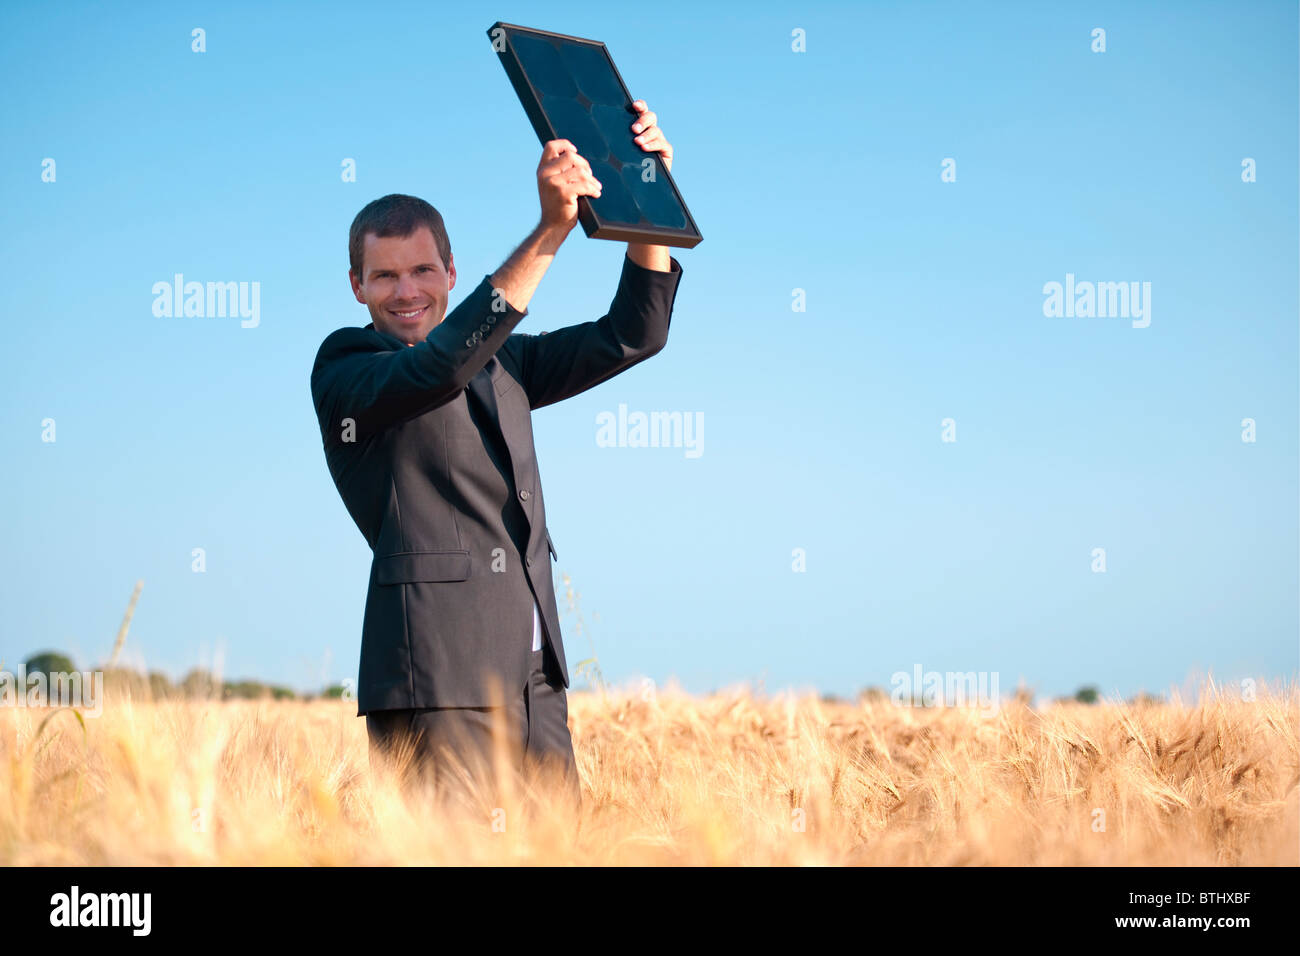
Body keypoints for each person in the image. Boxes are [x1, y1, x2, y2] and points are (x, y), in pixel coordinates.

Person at [310, 101, 684, 811]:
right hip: (436, 685)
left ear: (452, 273)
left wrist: (645, 202)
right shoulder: (346, 367)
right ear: (356, 287)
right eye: (384, 277)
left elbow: (634, 335)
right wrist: (551, 230)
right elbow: (436, 371)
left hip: (536, 683)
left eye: (422, 270)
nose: (408, 291)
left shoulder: (502, 363)